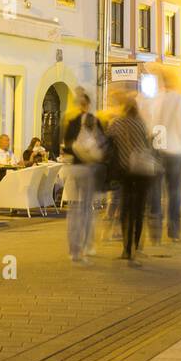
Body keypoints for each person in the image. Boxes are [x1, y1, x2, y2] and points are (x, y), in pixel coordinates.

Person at [144, 69, 181, 242]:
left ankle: (156, 231)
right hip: (175, 150)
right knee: (174, 192)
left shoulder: (156, 99)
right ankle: (174, 231)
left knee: (156, 190)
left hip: (158, 149)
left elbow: (151, 125)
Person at [108, 91, 157, 264]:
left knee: (126, 210)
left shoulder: (117, 123)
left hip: (126, 172)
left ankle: (126, 249)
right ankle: (135, 248)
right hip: (144, 172)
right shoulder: (141, 123)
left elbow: (108, 143)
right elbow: (148, 144)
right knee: (139, 212)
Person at [62, 89, 105, 264]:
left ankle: (73, 249)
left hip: (73, 169)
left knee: (73, 210)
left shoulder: (71, 122)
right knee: (87, 209)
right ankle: (87, 245)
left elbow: (66, 146)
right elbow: (103, 146)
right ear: (88, 104)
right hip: (88, 169)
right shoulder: (94, 122)